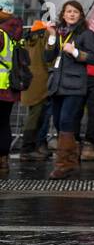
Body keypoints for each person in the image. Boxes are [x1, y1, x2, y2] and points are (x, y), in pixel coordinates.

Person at [44, 0, 94, 179]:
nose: (72, 14)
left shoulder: (86, 34)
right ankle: (72, 160)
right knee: (59, 123)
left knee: (67, 121)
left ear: (81, 15)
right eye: (68, 11)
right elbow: (48, 57)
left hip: (75, 85)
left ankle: (63, 165)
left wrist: (75, 52)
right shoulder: (59, 33)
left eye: (75, 11)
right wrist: (51, 36)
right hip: (58, 85)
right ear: (63, 14)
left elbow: (93, 58)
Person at [19, 20, 52, 160]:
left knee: (34, 114)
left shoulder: (27, 39)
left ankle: (33, 146)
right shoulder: (44, 36)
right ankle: (27, 149)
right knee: (36, 115)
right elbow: (49, 58)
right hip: (41, 80)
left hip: (28, 81)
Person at [0, 0, 23, 171]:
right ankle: (3, 160)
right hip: (11, 86)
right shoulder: (16, 32)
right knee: (4, 123)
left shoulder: (0, 33)